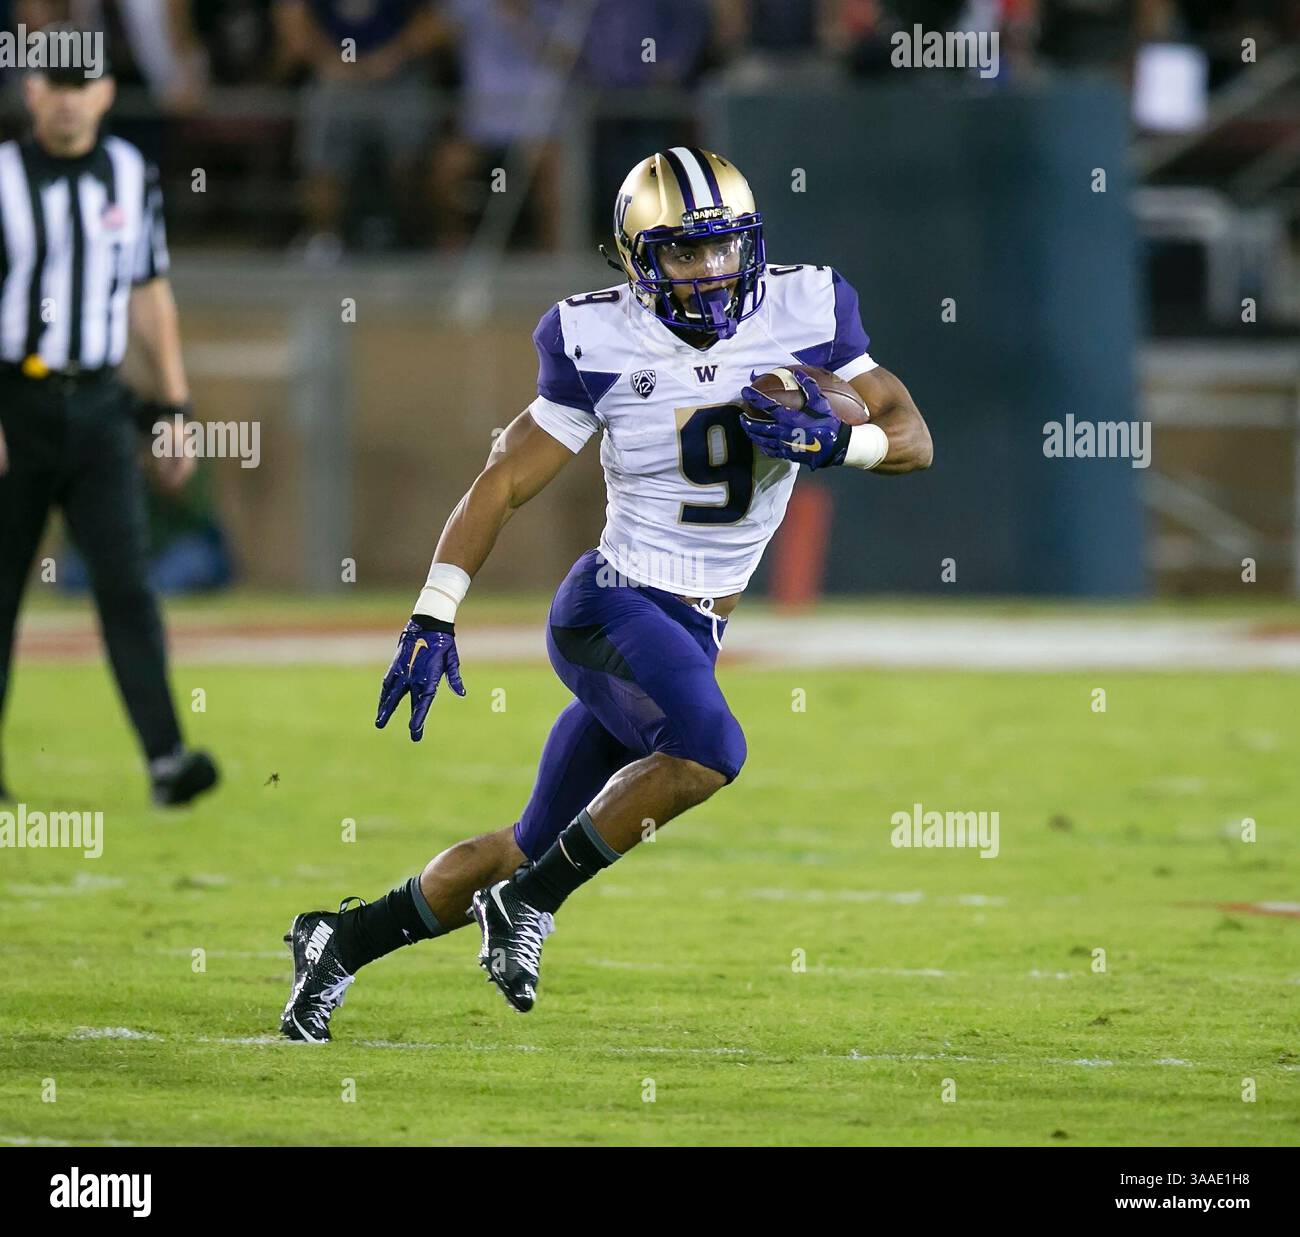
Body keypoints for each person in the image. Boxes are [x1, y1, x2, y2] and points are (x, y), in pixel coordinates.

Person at [280, 147, 932, 1042]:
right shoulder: (597, 335)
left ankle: (339, 940)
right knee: (710, 745)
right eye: (683, 253)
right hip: (611, 605)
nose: (710, 273)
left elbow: (911, 433)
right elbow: (504, 479)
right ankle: (528, 905)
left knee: (527, 840)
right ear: (635, 258)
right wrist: (434, 608)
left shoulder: (807, 306)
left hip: (693, 631)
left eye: (724, 249)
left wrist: (838, 446)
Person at [0, 27, 218, 805]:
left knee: (127, 584)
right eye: (50, 84)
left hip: (97, 406)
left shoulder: (127, 173)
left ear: (101, 92)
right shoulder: (1, 179)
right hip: (13, 400)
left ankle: (166, 758)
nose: (64, 99)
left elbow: (148, 293)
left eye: (78, 84)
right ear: (32, 91)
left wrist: (172, 406)